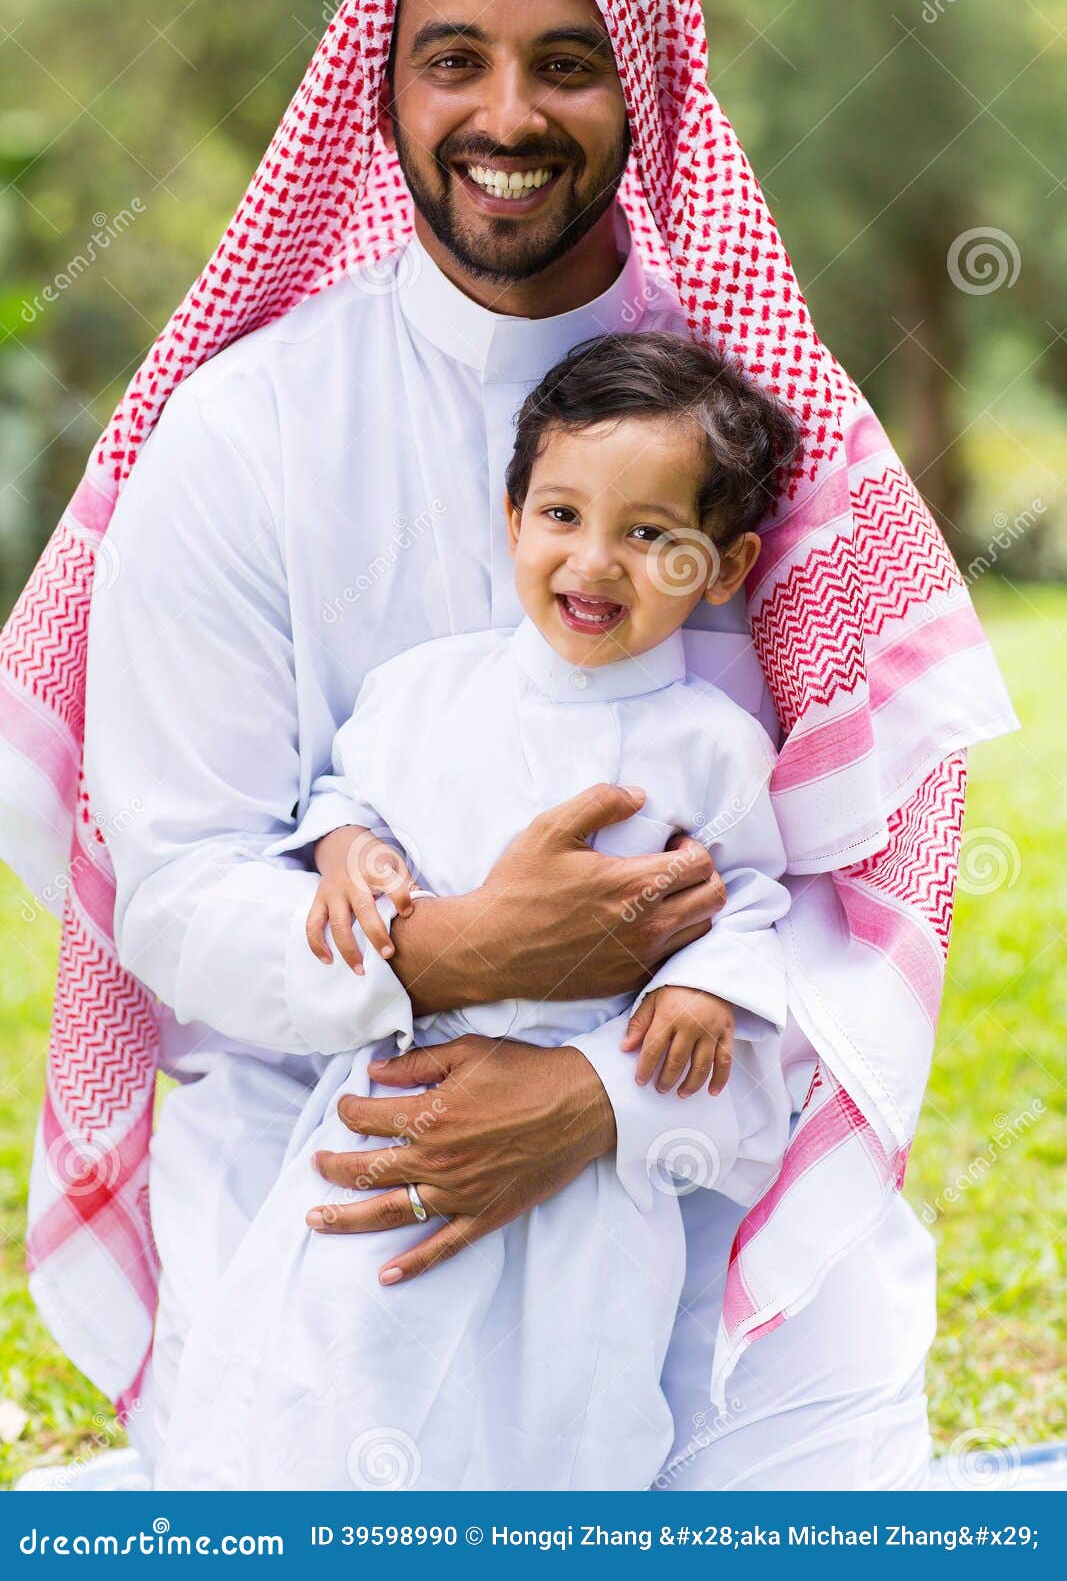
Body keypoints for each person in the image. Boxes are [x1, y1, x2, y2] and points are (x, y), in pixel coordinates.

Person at [0, 0, 1016, 1491]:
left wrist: (600, 1097)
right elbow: (179, 885)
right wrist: (440, 951)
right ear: (379, 86)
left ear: (646, 85)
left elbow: (847, 917)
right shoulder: (244, 428)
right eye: (449, 61)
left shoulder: (764, 446)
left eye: (566, 63)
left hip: (705, 1171)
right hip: (330, 1160)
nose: (505, 116)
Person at [153, 330, 798, 1491]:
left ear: (724, 564)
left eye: (649, 535)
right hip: (395, 1095)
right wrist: (349, 853)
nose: (592, 563)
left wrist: (707, 984)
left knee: (560, 1401)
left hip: (586, 1162)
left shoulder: (713, 748)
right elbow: (348, 798)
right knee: (339, 1354)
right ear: (510, 519)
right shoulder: (425, 690)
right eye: (561, 516)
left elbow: (749, 900)